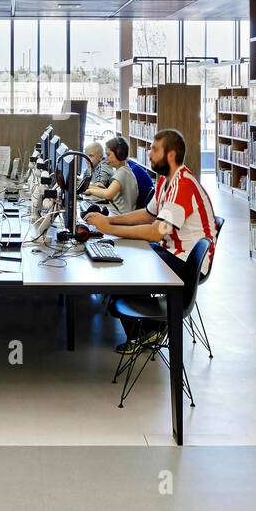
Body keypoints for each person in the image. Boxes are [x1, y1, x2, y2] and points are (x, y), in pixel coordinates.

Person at [83, 129, 216, 354]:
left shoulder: (183, 185)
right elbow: (147, 214)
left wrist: (111, 228)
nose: (149, 153)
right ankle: (147, 328)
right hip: (171, 250)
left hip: (187, 262)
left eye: (155, 149)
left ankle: (146, 332)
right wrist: (110, 221)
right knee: (122, 257)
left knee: (124, 267)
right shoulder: (166, 180)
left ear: (171, 155)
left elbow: (157, 232)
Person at [85, 136, 138, 216]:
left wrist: (90, 191)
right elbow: (106, 190)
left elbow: (108, 194)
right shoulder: (123, 170)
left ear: (119, 154)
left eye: (108, 155)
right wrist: (88, 187)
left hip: (121, 216)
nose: (106, 158)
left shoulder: (123, 173)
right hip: (117, 212)